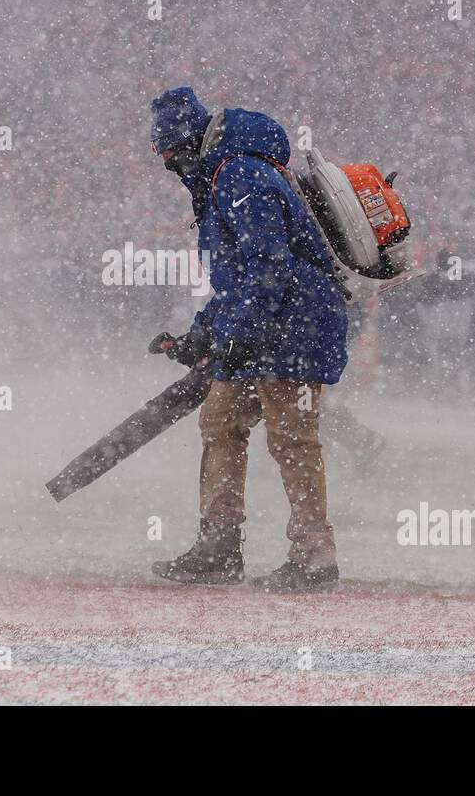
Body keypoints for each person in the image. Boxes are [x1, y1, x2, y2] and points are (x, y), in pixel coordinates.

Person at [147, 87, 348, 593]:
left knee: (291, 437)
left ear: (191, 143)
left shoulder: (241, 177)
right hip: (266, 326)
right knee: (220, 421)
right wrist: (199, 338)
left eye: (169, 150)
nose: (167, 162)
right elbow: (235, 283)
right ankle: (218, 546)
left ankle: (314, 558)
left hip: (297, 325)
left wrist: (239, 335)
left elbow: (269, 266)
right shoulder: (223, 179)